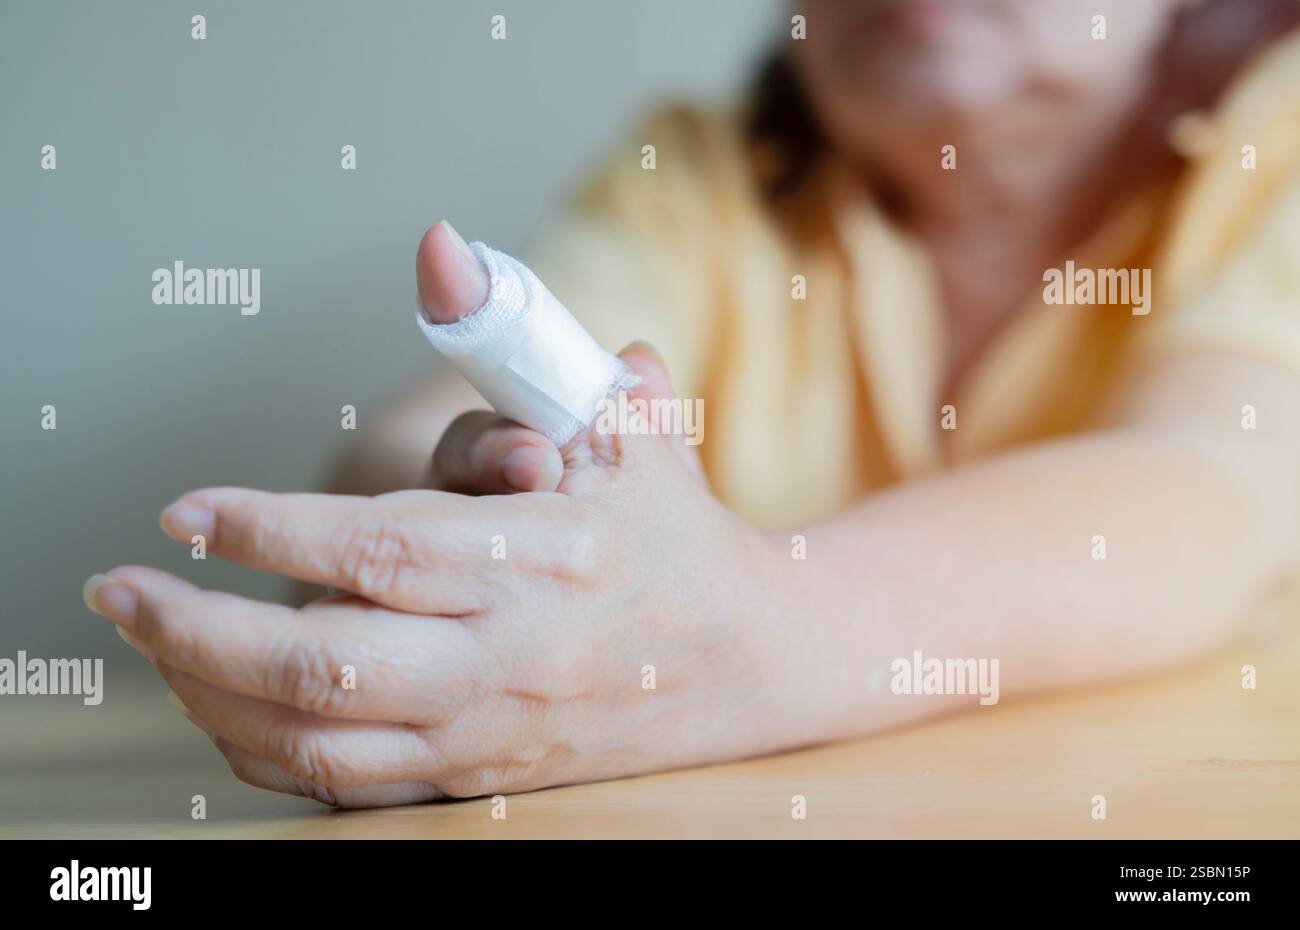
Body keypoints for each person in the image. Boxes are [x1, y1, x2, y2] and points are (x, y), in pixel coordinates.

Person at [84, 0, 1300, 808]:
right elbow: (408, 438)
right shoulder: (702, 180)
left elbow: (1213, 476)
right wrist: (457, 528)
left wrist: (754, 628)